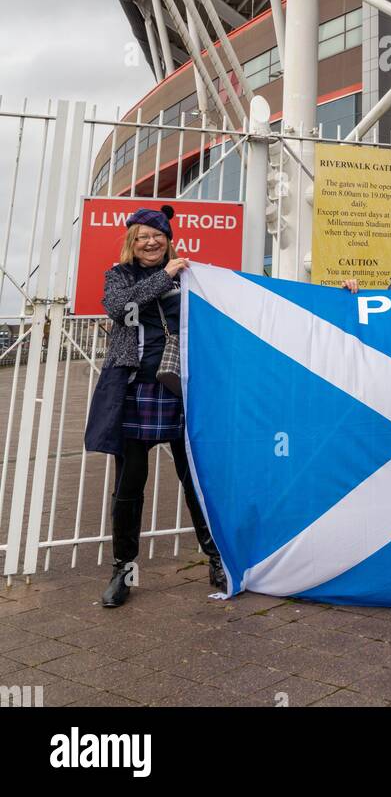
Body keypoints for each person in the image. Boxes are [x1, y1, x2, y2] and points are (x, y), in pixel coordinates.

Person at [84, 204, 226, 607]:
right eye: (143, 237)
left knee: (196, 481)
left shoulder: (191, 276)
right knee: (128, 488)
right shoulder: (120, 276)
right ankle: (122, 570)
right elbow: (119, 308)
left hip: (182, 390)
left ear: (168, 239)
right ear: (133, 242)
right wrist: (164, 276)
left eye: (157, 236)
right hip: (134, 389)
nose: (151, 242)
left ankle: (216, 560)